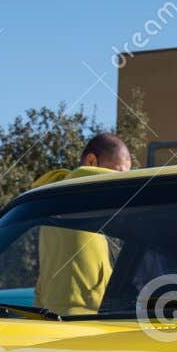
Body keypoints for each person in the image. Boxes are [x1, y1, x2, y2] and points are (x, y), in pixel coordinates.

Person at [33, 133, 133, 314]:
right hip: (78, 316)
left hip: (70, 314)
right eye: (117, 172)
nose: (119, 181)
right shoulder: (76, 189)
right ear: (92, 161)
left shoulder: (62, 201)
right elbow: (84, 174)